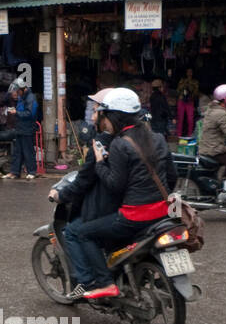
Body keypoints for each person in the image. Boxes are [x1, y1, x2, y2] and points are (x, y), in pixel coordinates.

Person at [60, 87, 177, 300]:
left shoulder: (120, 145)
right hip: (163, 213)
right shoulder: (158, 138)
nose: (101, 121)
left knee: (83, 233)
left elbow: (115, 185)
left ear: (113, 117)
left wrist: (99, 163)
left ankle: (105, 283)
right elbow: (172, 178)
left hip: (134, 216)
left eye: (102, 115)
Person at [49, 90, 120, 224]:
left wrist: (60, 195)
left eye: (95, 112)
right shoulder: (132, 139)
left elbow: (84, 180)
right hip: (123, 210)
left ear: (106, 114)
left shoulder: (102, 144)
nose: (92, 118)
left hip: (105, 212)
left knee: (73, 233)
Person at [8, 77, 39, 179]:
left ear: (22, 89)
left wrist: (16, 113)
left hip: (28, 129)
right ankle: (14, 172)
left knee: (28, 151)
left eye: (17, 91)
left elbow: (30, 114)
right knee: (17, 152)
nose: (16, 93)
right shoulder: (22, 98)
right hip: (20, 128)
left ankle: (32, 172)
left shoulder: (31, 98)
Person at [175, 70, 199, 137]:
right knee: (180, 119)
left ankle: (190, 135)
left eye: (191, 72)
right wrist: (185, 84)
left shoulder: (195, 81)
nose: (189, 73)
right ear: (186, 73)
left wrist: (190, 88)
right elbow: (178, 90)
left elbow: (196, 93)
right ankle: (179, 135)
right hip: (181, 100)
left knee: (190, 120)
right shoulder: (182, 80)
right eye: (188, 71)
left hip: (190, 101)